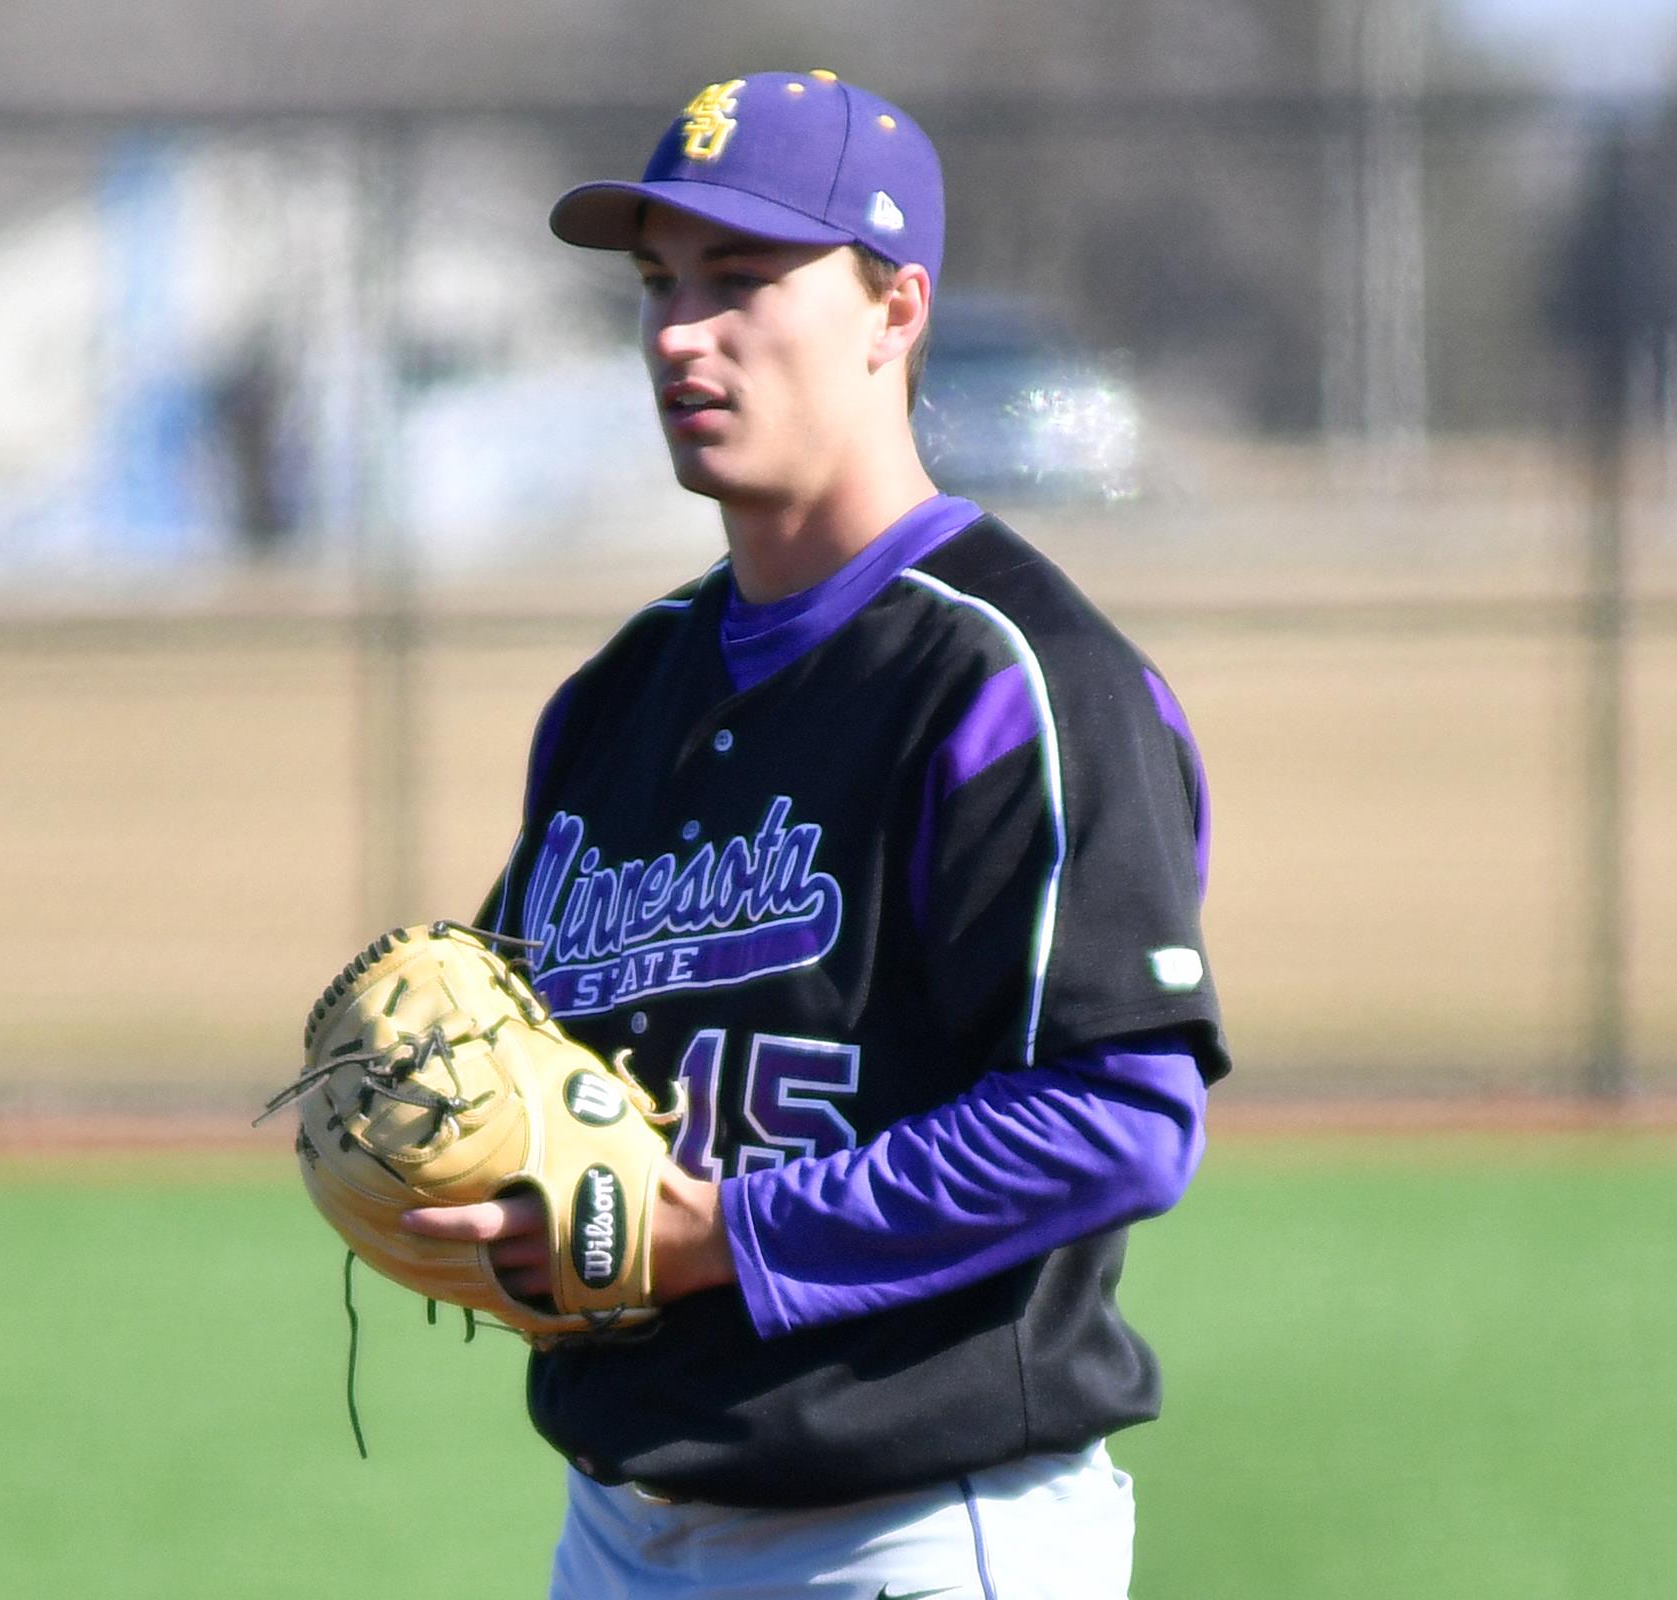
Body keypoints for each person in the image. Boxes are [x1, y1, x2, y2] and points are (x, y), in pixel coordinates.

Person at [400, 69, 1228, 1599]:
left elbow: (1121, 1113)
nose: (677, 333)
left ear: (893, 310)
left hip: (914, 1528)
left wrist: (724, 1236)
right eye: (658, 282)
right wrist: (482, 1190)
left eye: (743, 277)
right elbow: (552, 1080)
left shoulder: (1011, 680)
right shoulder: (619, 693)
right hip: (621, 1523)